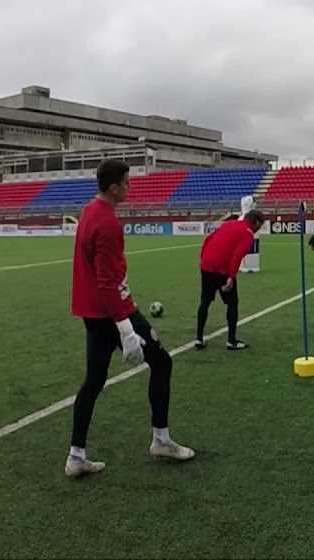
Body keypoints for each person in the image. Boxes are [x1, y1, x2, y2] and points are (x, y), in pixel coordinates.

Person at [66, 159, 195, 478]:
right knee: (162, 363)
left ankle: (76, 456)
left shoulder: (89, 211)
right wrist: (126, 330)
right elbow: (107, 282)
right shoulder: (107, 223)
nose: (130, 187)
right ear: (114, 188)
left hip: (91, 312)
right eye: (126, 183)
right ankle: (161, 440)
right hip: (112, 311)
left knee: (94, 380)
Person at [195, 209, 266, 350]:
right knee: (232, 303)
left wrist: (203, 261)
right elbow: (237, 255)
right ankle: (231, 341)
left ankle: (199, 338)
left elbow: (208, 239)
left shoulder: (229, 224)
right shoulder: (248, 234)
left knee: (205, 301)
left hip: (207, 265)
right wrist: (231, 277)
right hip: (222, 269)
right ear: (257, 222)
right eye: (261, 224)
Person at [237, 194, 262, 273]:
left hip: (246, 238)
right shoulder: (250, 217)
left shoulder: (241, 217)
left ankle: (243, 266)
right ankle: (250, 266)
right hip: (251, 238)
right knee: (251, 250)